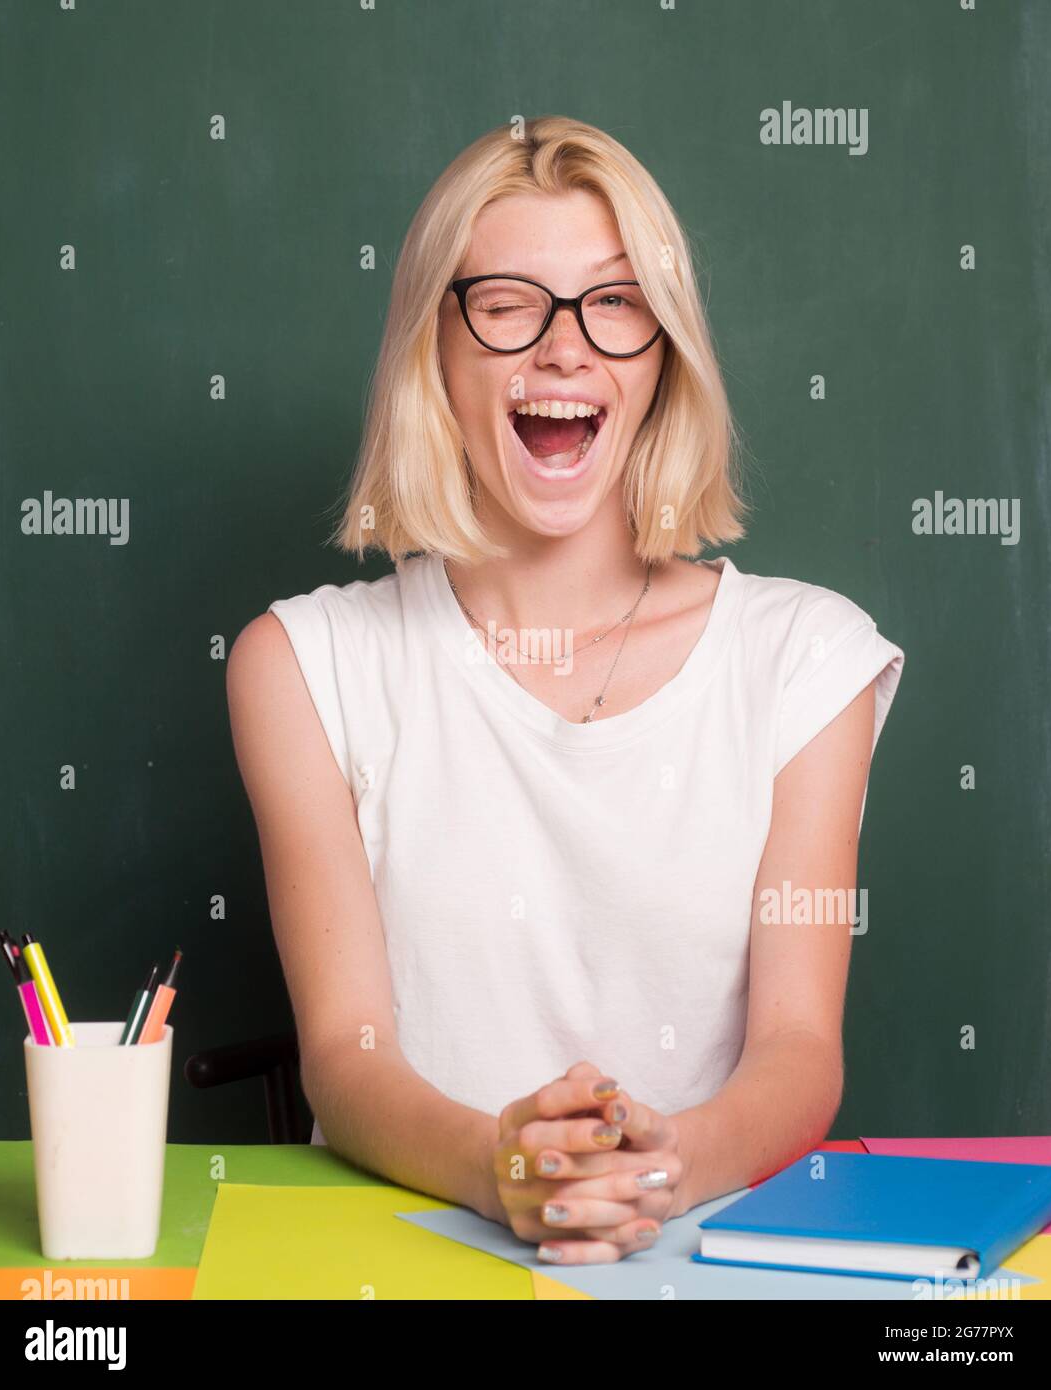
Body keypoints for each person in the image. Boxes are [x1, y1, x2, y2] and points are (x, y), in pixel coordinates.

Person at [227, 115, 904, 1265]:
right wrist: (503, 1165)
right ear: (433, 350)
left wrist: (660, 1166)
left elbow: (798, 1050)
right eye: (505, 304)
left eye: (612, 302)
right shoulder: (302, 665)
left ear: (660, 354)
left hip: (698, 1264)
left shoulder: (804, 660)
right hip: (409, 1266)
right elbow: (345, 1061)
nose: (563, 350)